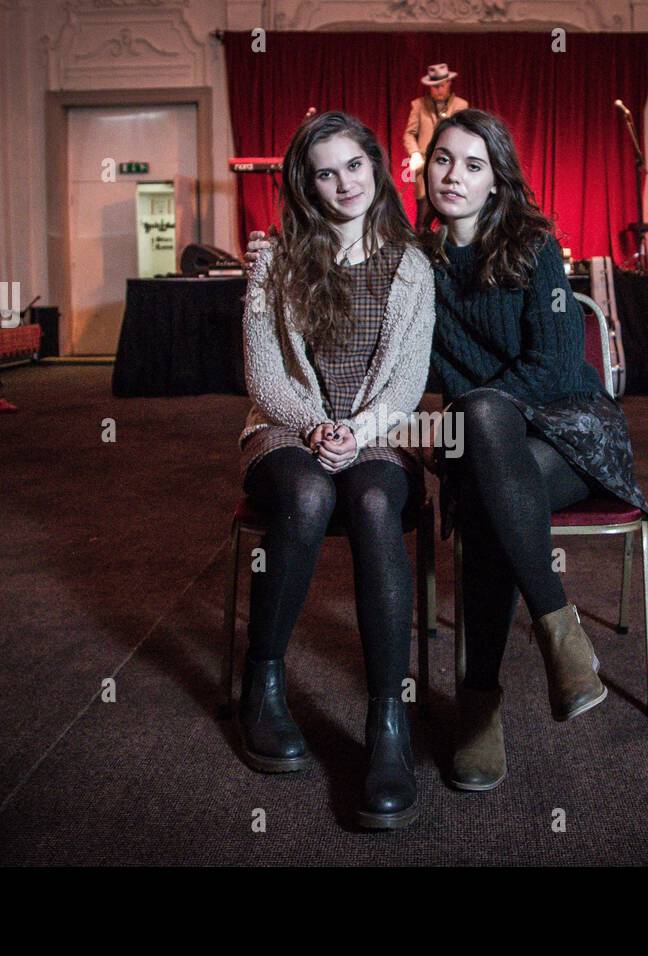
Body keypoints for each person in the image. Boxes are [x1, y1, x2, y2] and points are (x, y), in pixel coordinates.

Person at [245, 109, 648, 796]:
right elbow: (384, 359)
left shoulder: (533, 246)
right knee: (487, 471)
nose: (453, 176)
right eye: (442, 160)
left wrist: (470, 413)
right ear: (420, 170)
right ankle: (544, 650)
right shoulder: (417, 261)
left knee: (488, 456)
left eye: (472, 164)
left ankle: (481, 701)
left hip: (566, 434)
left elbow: (552, 368)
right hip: (482, 444)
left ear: (496, 180)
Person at [236, 111, 436, 829]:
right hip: (287, 428)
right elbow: (263, 374)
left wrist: (358, 431)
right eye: (326, 171)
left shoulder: (412, 263)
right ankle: (262, 680)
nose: (344, 183)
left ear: (376, 167)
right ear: (307, 182)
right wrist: (317, 426)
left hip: (377, 432)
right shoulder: (274, 260)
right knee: (310, 492)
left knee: (380, 502)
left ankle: (388, 722)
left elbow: (408, 380)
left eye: (354, 165)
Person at [403, 63, 469, 232]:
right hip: (425, 166)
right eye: (435, 86)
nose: (439, 89)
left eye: (442, 85)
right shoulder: (418, 105)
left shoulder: (461, 106)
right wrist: (415, 153)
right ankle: (420, 256)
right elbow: (409, 133)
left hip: (452, 166)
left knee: (450, 216)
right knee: (422, 219)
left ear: (449, 83)